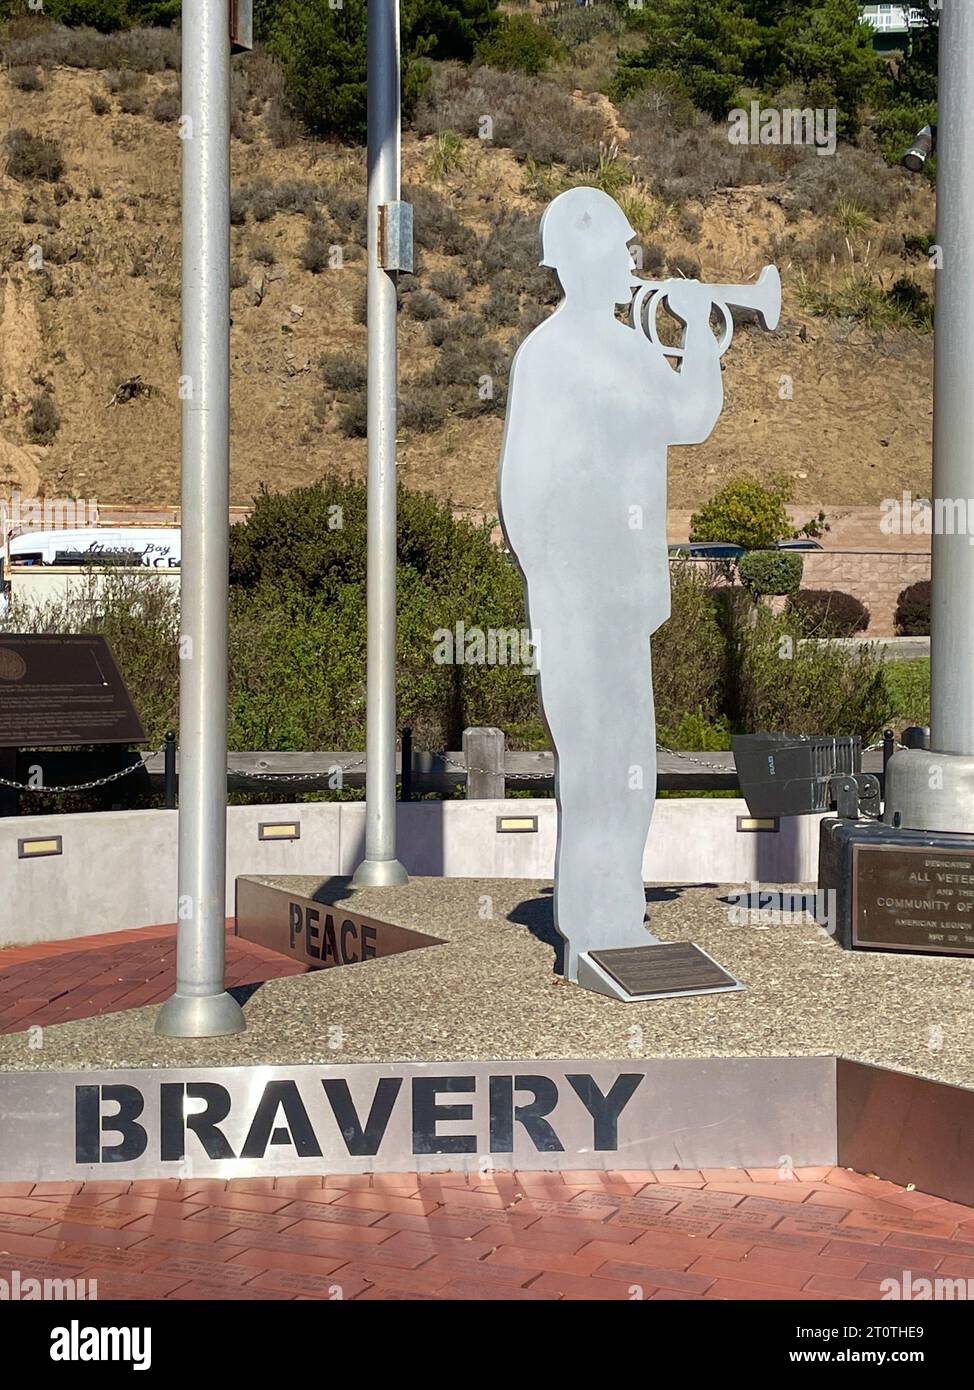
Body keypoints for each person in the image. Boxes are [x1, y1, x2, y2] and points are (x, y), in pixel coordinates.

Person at [497, 185, 724, 981]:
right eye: (623, 249)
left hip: (627, 603)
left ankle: (619, 910)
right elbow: (521, 493)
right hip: (578, 601)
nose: (635, 263)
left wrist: (698, 334)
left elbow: (690, 417)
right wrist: (562, 588)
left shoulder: (632, 348)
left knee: (634, 762)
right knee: (591, 764)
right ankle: (589, 920)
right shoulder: (547, 355)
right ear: (584, 256)